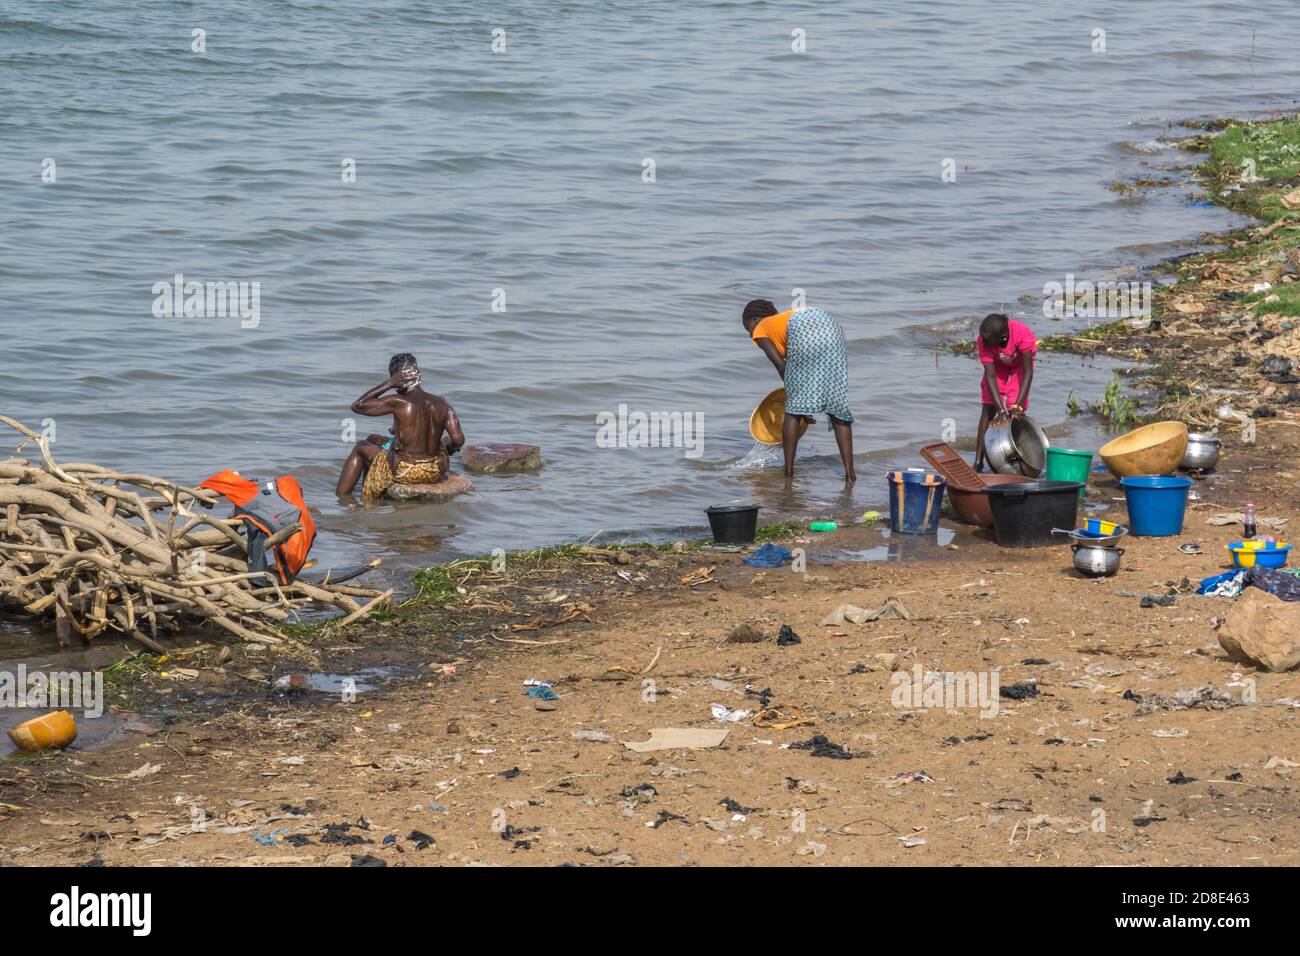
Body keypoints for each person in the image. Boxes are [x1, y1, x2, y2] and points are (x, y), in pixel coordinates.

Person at [741, 299, 855, 482]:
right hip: (831, 326)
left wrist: (798, 402)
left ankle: (788, 475)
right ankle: (850, 476)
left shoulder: (761, 328)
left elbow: (781, 366)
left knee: (792, 410)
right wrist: (804, 401)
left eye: (747, 329)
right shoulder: (781, 321)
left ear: (754, 320)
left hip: (803, 328)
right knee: (837, 406)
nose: (750, 336)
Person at [335, 353, 465, 499]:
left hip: (405, 470)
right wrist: (447, 450)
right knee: (373, 439)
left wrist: (388, 383)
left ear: (397, 381)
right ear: (418, 375)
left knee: (360, 447)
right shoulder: (442, 403)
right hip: (434, 469)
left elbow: (358, 406)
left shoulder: (398, 402)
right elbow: (458, 440)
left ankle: (343, 499)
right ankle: (371, 490)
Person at [974, 313, 1036, 472]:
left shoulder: (1021, 332)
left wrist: (1017, 405)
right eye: (983, 339)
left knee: (1015, 410)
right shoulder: (984, 341)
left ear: (1003, 336)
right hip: (997, 365)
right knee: (988, 407)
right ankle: (978, 462)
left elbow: (1028, 371)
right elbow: (990, 375)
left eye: (988, 340)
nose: (984, 342)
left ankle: (1019, 456)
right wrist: (1000, 410)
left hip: (1020, 365)